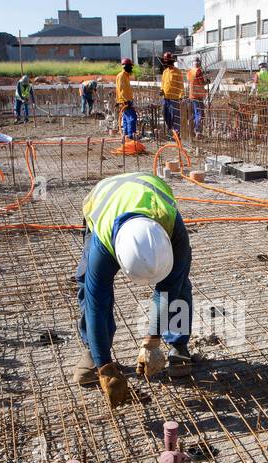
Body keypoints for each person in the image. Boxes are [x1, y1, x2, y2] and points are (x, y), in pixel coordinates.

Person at [71, 172, 194, 407]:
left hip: (149, 197)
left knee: (178, 285)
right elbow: (96, 304)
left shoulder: (173, 230)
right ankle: (94, 351)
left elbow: (167, 289)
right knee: (89, 286)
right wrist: (105, 367)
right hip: (104, 200)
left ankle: (178, 345)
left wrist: (152, 341)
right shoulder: (103, 244)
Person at [159, 51, 184, 135]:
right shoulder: (165, 72)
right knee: (166, 115)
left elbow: (181, 85)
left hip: (175, 98)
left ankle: (177, 132)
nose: (165, 63)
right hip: (166, 98)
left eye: (167, 61)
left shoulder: (177, 72)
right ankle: (170, 129)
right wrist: (161, 90)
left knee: (175, 116)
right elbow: (163, 83)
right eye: (165, 61)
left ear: (171, 62)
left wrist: (181, 95)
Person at [115, 57, 137, 140]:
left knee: (126, 119)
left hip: (126, 100)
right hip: (125, 101)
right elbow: (121, 89)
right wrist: (125, 101)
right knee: (132, 118)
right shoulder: (122, 76)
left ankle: (126, 135)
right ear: (126, 66)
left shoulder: (126, 76)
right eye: (130, 66)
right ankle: (131, 136)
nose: (131, 68)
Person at [186, 58, 207, 133]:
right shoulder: (198, 71)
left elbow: (189, 80)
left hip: (191, 95)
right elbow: (201, 83)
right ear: (199, 63)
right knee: (199, 114)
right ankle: (197, 131)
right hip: (198, 96)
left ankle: (192, 129)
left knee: (194, 114)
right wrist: (207, 82)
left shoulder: (190, 71)